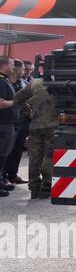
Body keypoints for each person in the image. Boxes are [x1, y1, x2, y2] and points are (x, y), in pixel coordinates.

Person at [14, 69, 56, 198]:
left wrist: (28, 112)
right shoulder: (60, 82)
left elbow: (17, 98)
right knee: (49, 156)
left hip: (35, 125)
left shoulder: (34, 83)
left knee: (34, 157)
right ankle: (46, 186)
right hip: (53, 125)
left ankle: (34, 188)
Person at [5, 59, 30, 184]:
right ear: (17, 69)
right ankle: (3, 176)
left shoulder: (21, 83)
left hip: (22, 121)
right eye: (25, 69)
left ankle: (12, 174)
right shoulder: (6, 82)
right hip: (9, 122)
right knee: (6, 151)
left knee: (18, 150)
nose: (26, 72)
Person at [0, 57, 17, 197]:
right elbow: (0, 103)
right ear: (4, 65)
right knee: (0, 155)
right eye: (12, 64)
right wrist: (15, 102)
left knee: (3, 155)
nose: (14, 66)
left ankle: (0, 181)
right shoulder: (1, 81)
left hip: (7, 123)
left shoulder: (4, 79)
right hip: (3, 123)